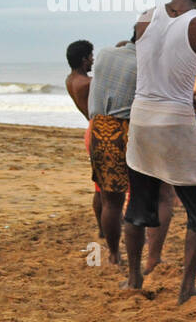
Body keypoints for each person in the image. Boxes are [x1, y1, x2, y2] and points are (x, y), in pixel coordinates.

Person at [124, 0, 196, 306]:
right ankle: (186, 287)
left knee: (137, 204)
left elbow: (146, 57)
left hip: (141, 118)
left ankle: (134, 277)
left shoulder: (144, 18)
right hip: (176, 121)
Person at [86, 30, 174, 268]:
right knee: (162, 195)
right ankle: (153, 256)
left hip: (100, 128)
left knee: (110, 200)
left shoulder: (104, 54)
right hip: (134, 128)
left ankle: (115, 255)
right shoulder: (152, 67)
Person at [64, 39, 103, 234]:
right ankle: (107, 225)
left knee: (99, 185)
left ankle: (102, 226)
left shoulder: (70, 80)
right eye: (91, 56)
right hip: (100, 129)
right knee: (107, 185)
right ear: (83, 59)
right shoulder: (87, 83)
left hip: (90, 128)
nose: (93, 60)